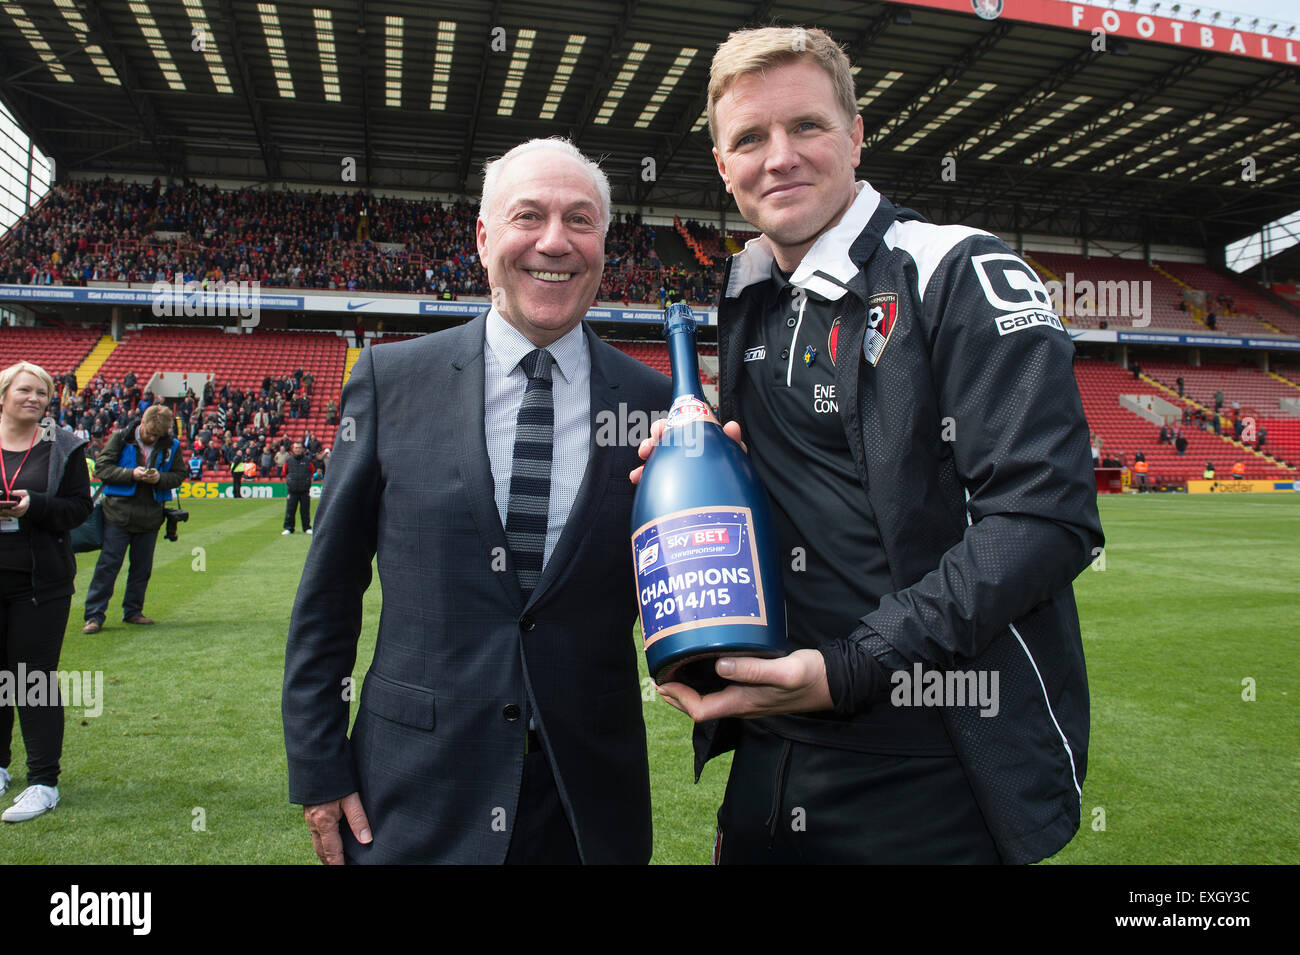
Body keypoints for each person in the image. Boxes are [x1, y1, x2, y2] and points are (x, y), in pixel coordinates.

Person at [637, 26, 1102, 865]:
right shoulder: (747, 288)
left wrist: (856, 665)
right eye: (749, 138)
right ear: (722, 164)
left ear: (856, 135)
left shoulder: (955, 270)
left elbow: (1045, 515)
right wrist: (699, 469)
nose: (779, 157)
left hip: (934, 759)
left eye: (807, 126)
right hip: (775, 747)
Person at [283, 137, 671, 864]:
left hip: (588, 805)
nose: (554, 241)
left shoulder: (659, 403)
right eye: (529, 215)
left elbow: (685, 591)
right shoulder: (389, 380)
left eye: (580, 220)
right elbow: (329, 593)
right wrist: (317, 764)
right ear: (485, 237)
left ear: (604, 244)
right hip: (412, 793)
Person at [0, 362, 93, 822]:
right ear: (4, 394)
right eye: (25, 390)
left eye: (43, 392)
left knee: (31, 678)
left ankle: (43, 782)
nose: (35, 398)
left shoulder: (65, 445)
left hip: (42, 583)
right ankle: (0, 765)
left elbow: (80, 508)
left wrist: (33, 506)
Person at [81, 405, 187, 633]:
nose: (152, 438)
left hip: (150, 517)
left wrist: (159, 478)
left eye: (157, 435)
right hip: (117, 514)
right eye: (150, 432)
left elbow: (179, 475)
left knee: (142, 568)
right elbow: (101, 469)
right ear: (143, 423)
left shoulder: (172, 445)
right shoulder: (121, 438)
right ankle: (94, 616)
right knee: (108, 566)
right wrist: (132, 474)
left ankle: (133, 612)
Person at [280, 441, 314, 535]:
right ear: (293, 449)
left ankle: (306, 528)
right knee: (290, 510)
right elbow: (284, 472)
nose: (297, 449)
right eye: (296, 447)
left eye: (299, 447)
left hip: (304, 490)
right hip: (292, 490)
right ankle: (289, 528)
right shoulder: (289, 460)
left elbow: (311, 471)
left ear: (302, 449)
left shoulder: (308, 460)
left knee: (305, 511)